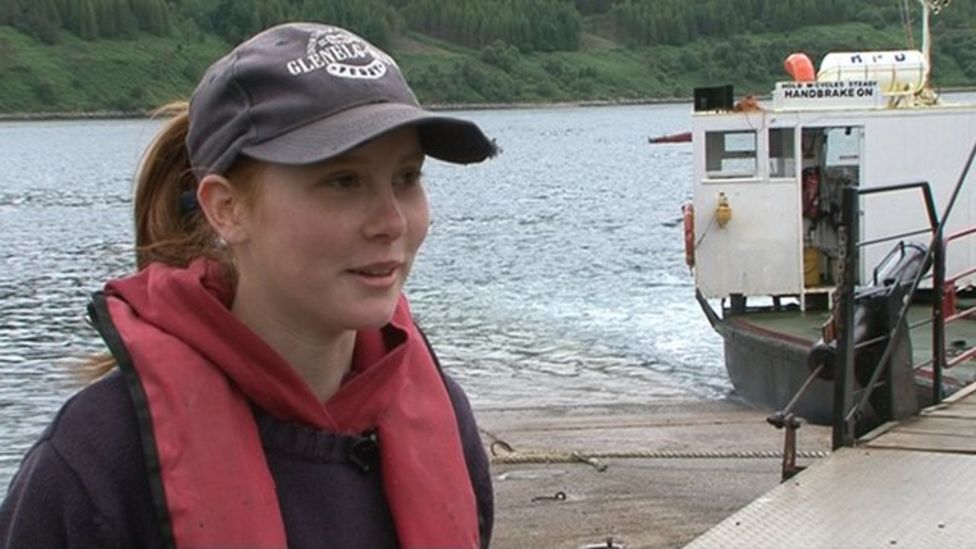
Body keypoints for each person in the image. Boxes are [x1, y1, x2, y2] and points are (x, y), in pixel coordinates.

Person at [0, 21, 497, 549]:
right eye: (343, 181)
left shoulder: (443, 417)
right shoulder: (97, 463)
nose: (391, 221)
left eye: (406, 177)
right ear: (226, 209)